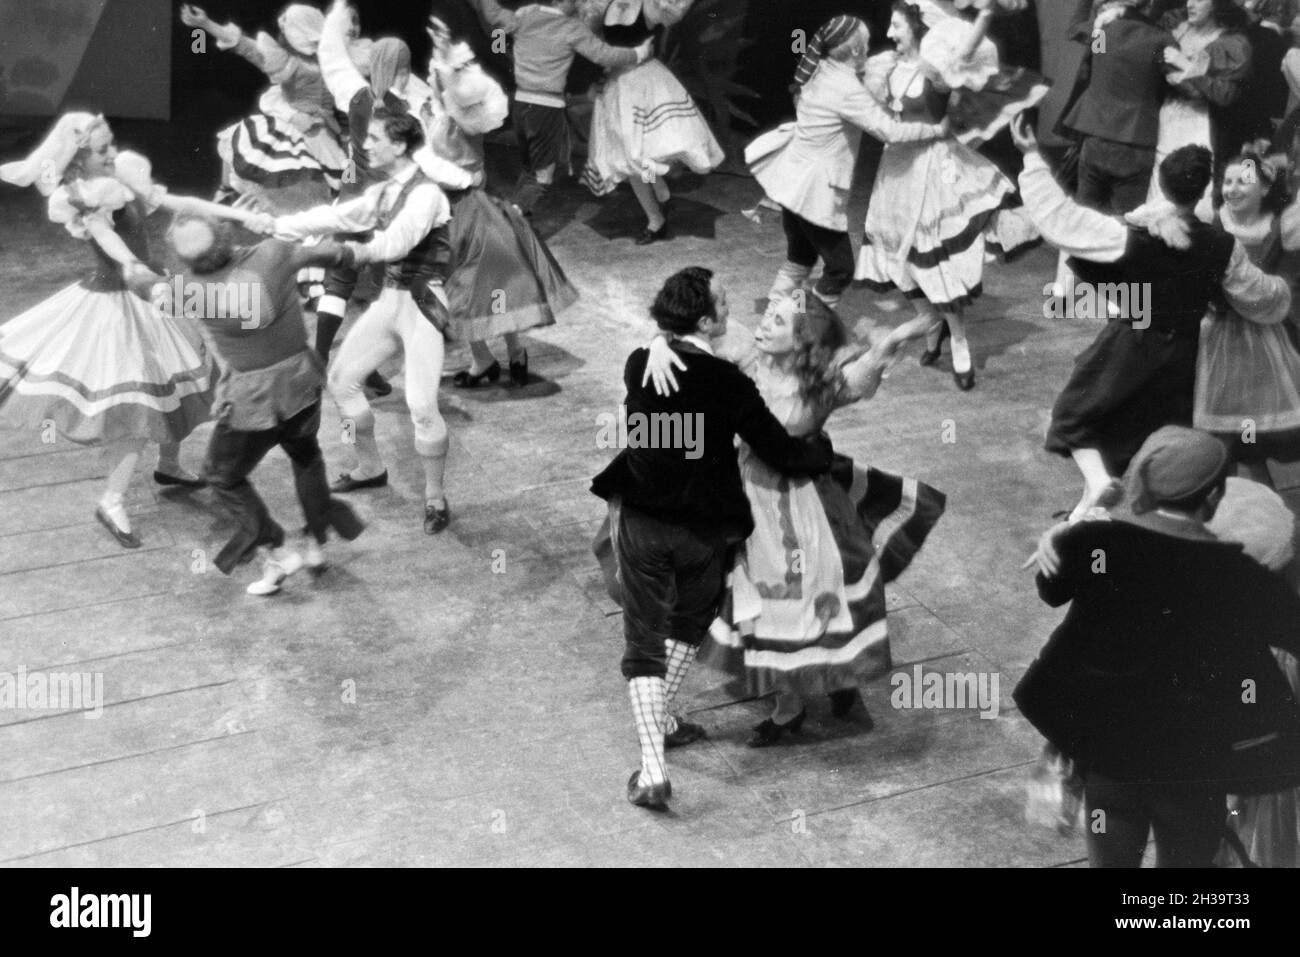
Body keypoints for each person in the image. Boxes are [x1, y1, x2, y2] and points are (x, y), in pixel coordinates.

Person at [642, 294, 946, 746]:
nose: (763, 324)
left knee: (802, 601)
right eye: (767, 313)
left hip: (802, 506)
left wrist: (898, 335)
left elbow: (865, 373)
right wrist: (658, 345)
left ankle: (813, 693)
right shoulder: (746, 355)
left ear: (800, 339)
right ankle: (797, 700)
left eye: (778, 320)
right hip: (745, 493)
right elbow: (686, 334)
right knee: (759, 601)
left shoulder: (825, 385)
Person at [590, 267, 834, 809]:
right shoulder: (730, 384)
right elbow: (782, 452)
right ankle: (660, 736)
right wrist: (825, 454)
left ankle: (654, 763)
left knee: (644, 643)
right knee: (684, 629)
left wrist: (659, 340)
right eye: (725, 301)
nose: (735, 309)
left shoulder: (641, 365)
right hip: (702, 531)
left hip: (641, 521)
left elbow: (664, 410)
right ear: (707, 319)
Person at [1015, 426, 1300, 867]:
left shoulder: (1095, 544)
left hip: (1111, 757)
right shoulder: (1238, 574)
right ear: (1213, 496)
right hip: (1193, 766)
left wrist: (1064, 532)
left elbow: (1050, 587)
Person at [0, 113, 262, 547]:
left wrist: (230, 212)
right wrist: (136, 269)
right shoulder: (87, 196)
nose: (113, 153)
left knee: (179, 383)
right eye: (103, 150)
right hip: (119, 302)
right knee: (138, 409)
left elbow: (179, 203)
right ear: (80, 158)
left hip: (146, 291)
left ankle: (170, 465)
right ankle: (112, 500)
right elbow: (108, 240)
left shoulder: (122, 175)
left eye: (112, 144)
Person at [1012, 114, 1291, 520]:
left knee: (1074, 418)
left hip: (1133, 341)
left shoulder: (1132, 236)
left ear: (1162, 184)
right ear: (1203, 191)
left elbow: (1060, 220)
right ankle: (1093, 511)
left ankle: (1098, 484)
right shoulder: (1219, 244)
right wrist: (1283, 295)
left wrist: (1032, 158)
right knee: (1146, 432)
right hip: (1182, 354)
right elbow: (1256, 293)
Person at [271, 110, 455, 535]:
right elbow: (340, 217)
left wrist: (348, 254)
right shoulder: (386, 191)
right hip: (391, 298)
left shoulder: (426, 194)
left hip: (423, 303)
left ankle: (435, 497)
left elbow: (397, 242)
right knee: (341, 381)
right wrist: (279, 225)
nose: (365, 145)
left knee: (422, 406)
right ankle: (369, 465)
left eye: (375, 138)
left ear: (400, 144)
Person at [166, 215, 365, 595]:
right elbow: (337, 253)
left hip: (251, 402)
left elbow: (141, 282)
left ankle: (277, 550)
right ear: (225, 235)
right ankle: (314, 544)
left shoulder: (186, 288)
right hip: (301, 382)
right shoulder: (274, 254)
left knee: (222, 475)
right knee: (306, 456)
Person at [854, 1, 1016, 391]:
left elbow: (962, 56)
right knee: (898, 255)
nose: (891, 34)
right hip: (895, 171)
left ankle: (958, 338)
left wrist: (985, 16)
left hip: (931, 170)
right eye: (890, 26)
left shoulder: (935, 71)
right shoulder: (887, 67)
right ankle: (930, 323)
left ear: (917, 29)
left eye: (897, 26)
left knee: (934, 257)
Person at [417, 18, 581, 389]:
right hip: (450, 209)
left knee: (470, 287)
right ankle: (501, 356)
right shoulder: (438, 112)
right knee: (479, 287)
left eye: (440, 77)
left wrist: (446, 56)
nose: (436, 81)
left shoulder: (462, 118)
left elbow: (458, 98)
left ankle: (493, 358)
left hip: (465, 210)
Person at [746, 15, 947, 313]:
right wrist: (934, 130)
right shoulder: (846, 89)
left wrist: (882, 63)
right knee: (840, 269)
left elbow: (857, 81)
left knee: (800, 257)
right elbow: (887, 129)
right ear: (854, 51)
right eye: (865, 45)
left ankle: (778, 309)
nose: (868, 49)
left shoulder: (821, 68)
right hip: (813, 193)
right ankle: (810, 325)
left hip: (793, 185)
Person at [468, 0, 651, 214]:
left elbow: (493, 15)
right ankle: (511, 219)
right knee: (542, 177)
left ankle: (515, 218)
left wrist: (498, 44)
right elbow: (604, 55)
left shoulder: (525, 17)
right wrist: (639, 53)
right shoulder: (570, 28)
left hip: (522, 105)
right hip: (546, 109)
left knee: (530, 170)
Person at [1194, 149, 1300, 483]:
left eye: (1244, 181)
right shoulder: (1212, 219)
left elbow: (1285, 285)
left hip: (1263, 342)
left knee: (1250, 432)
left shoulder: (1279, 227)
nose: (1233, 188)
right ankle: (1222, 498)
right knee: (1219, 436)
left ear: (1266, 189)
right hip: (1214, 338)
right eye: (1227, 181)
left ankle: (1256, 501)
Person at [580, 0, 724, 244]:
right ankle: (659, 205)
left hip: (645, 86)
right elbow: (598, 48)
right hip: (616, 86)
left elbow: (674, 13)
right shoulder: (606, 6)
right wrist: (598, 79)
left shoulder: (650, 6)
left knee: (640, 157)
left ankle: (657, 212)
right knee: (631, 158)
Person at [1056, 0, 1176, 215]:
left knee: (1088, 218)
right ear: (1151, 5)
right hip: (1136, 141)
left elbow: (1079, 33)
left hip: (1095, 137)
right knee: (1126, 225)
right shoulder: (1162, 40)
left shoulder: (1103, 31)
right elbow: (1175, 80)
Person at [1149, 0, 1252, 211]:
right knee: (1160, 188)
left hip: (1200, 123)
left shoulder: (1231, 45)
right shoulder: (1175, 30)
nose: (1190, 4)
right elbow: (1100, 49)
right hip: (1167, 118)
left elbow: (1225, 95)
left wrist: (1185, 66)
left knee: (1193, 185)